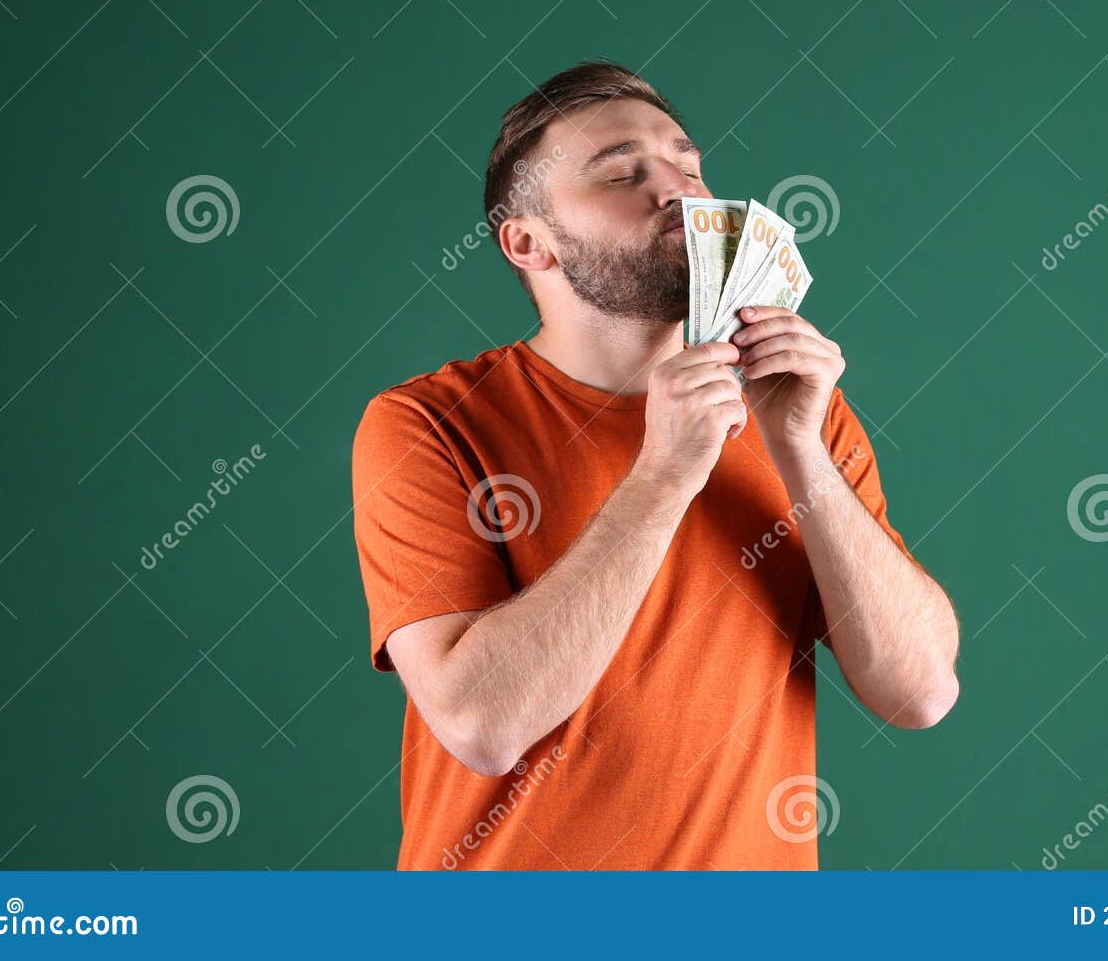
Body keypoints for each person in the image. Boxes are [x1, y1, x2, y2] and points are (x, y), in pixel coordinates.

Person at [350, 60, 960, 869]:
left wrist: (802, 452)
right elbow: (482, 724)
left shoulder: (799, 411)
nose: (677, 188)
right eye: (621, 174)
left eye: (688, 164)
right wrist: (665, 473)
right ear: (528, 241)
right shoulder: (428, 424)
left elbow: (920, 691)